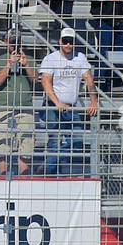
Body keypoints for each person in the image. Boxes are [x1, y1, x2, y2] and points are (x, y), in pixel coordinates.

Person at [39, 30, 97, 176]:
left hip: (71, 107)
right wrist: (57, 102)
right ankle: (51, 176)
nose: (68, 44)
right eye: (65, 41)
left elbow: (89, 80)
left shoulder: (80, 57)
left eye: (70, 41)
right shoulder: (51, 58)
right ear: (59, 41)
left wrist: (93, 101)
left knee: (76, 141)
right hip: (53, 106)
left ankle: (47, 165)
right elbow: (46, 82)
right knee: (54, 141)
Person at [0, 30, 37, 176]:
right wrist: (9, 64)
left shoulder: (29, 58)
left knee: (26, 142)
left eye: (16, 41)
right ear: (5, 42)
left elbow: (36, 81)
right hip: (4, 105)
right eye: (11, 41)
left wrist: (26, 64)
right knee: (2, 141)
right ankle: (3, 173)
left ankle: (23, 174)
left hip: (25, 106)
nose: (14, 45)